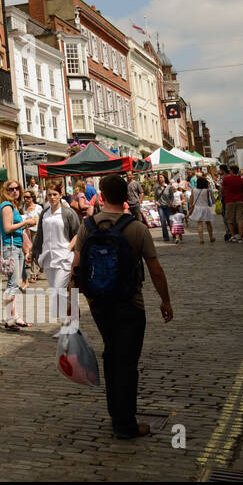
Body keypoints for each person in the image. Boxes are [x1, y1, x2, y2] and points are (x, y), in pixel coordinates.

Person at [72, 174, 174, 440]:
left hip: (99, 304)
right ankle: (125, 424)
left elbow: (76, 268)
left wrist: (72, 306)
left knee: (111, 355)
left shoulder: (87, 226)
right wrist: (165, 300)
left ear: (101, 196)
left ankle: (116, 415)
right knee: (127, 362)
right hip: (130, 304)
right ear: (126, 196)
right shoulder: (137, 228)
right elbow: (155, 269)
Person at [34, 179, 79, 335]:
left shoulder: (68, 212)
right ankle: (69, 324)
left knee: (58, 291)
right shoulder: (44, 213)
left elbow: (78, 233)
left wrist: (68, 248)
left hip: (65, 257)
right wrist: (33, 252)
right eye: (49, 195)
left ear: (61, 195)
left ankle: (69, 324)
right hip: (48, 257)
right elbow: (40, 235)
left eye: (54, 194)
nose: (52, 197)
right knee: (56, 292)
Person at [0, 179, 38, 329]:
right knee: (13, 284)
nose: (15, 191)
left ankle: (15, 316)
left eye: (17, 188)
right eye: (11, 189)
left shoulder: (14, 206)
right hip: (10, 248)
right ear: (5, 191)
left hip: (17, 247)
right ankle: (9, 318)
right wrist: (26, 222)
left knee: (16, 283)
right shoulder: (7, 206)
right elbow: (8, 228)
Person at [221, 165, 243, 242]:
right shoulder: (242, 180)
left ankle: (233, 236)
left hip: (229, 201)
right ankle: (240, 236)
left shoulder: (226, 179)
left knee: (230, 219)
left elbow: (222, 190)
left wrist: (222, 196)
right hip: (240, 200)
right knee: (240, 219)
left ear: (232, 171)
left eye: (230, 170)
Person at [20, 188, 41, 286]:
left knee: (34, 252)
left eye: (28, 197)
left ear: (32, 198)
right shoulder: (23, 208)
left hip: (36, 231)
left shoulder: (38, 208)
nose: (26, 199)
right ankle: (38, 270)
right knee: (29, 252)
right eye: (24, 197)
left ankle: (33, 274)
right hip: (26, 231)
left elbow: (42, 220)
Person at [190, 176, 216, 243]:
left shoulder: (193, 190)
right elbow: (208, 200)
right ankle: (211, 237)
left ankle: (201, 239)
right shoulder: (207, 190)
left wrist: (191, 207)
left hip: (197, 208)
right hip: (205, 208)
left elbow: (192, 200)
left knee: (199, 224)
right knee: (208, 223)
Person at [155, 173, 173, 243]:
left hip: (167, 206)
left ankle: (174, 234)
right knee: (163, 222)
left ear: (164, 178)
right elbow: (155, 198)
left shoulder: (169, 187)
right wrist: (157, 203)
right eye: (159, 178)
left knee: (169, 221)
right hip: (160, 207)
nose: (160, 179)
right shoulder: (157, 188)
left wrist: (170, 203)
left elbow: (172, 197)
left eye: (161, 177)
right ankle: (166, 237)